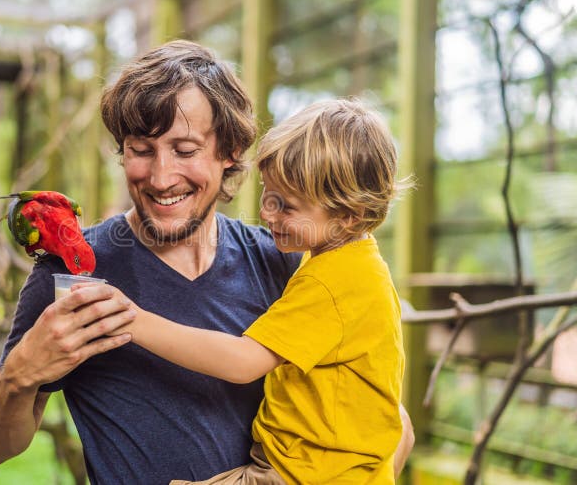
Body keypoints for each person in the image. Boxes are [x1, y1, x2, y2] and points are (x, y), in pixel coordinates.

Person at [0, 40, 414, 485]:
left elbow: (390, 425)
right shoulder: (71, 273)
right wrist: (18, 376)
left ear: (230, 152)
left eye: (185, 150)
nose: (162, 177)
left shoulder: (283, 261)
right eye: (141, 150)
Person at [93, 98, 407, 484]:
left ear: (348, 215)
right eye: (269, 196)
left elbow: (243, 362)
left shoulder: (333, 282)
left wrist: (132, 320)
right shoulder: (354, 262)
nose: (268, 215)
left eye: (287, 207)